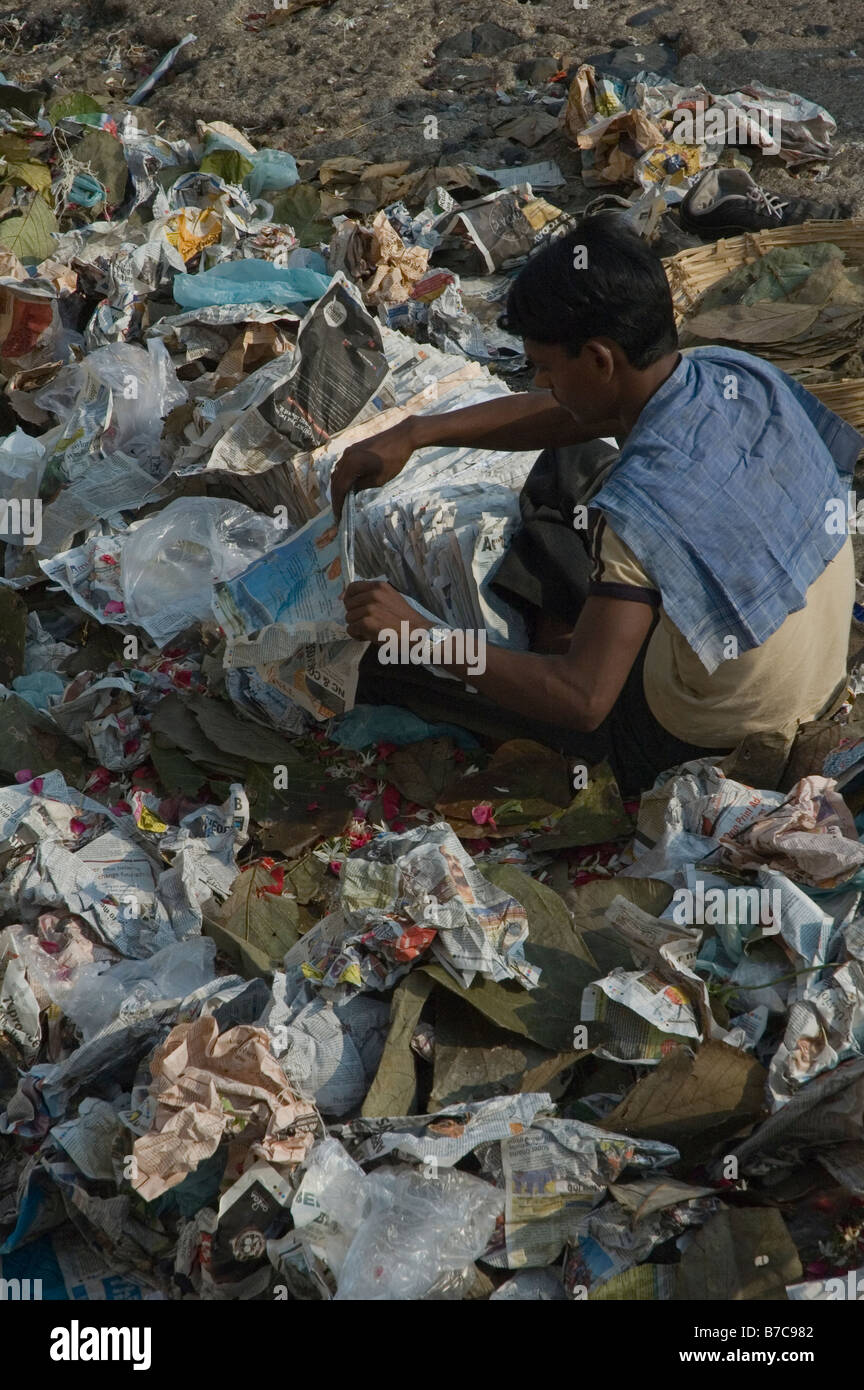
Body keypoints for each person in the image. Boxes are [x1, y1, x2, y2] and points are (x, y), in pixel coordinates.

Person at [332, 215, 862, 797]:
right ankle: (573, 633)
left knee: (388, 667)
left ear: (600, 359)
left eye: (548, 367)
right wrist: (415, 432)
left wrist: (417, 632)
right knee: (569, 461)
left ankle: (551, 655)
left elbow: (583, 700)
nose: (539, 380)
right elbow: (570, 416)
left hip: (706, 740)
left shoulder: (639, 510)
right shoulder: (736, 375)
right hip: (811, 677)